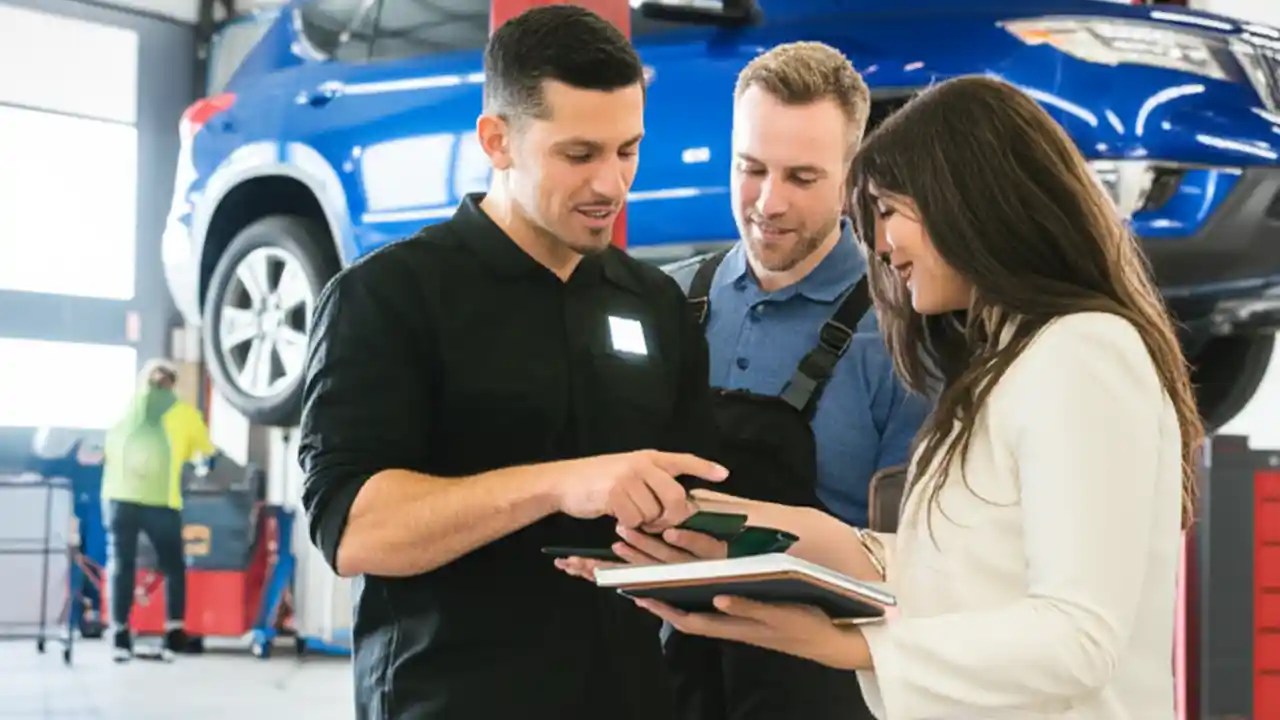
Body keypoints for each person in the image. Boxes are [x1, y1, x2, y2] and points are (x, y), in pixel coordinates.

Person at [571, 74, 1205, 718]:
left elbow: (1079, 637)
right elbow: (947, 572)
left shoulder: (1082, 353)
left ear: (966, 201)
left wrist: (850, 645)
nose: (878, 244)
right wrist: (730, 531)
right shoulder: (1005, 367)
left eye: (889, 211)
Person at [296, 6, 728, 720]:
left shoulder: (654, 304)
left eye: (628, 151)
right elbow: (355, 531)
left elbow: (692, 503)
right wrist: (559, 486)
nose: (610, 185)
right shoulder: (387, 299)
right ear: (497, 141)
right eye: (579, 154)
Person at [645, 42, 929, 720]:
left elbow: (917, 568)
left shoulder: (905, 334)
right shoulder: (664, 304)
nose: (768, 203)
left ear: (852, 177)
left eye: (802, 177)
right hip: (668, 682)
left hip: (828, 691)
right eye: (751, 169)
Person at [102, 358, 217, 663]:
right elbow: (207, 457)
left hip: (119, 498)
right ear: (173, 384)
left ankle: (120, 635)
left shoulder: (126, 409)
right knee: (173, 566)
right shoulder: (184, 414)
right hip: (161, 502)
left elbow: (105, 447)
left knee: (121, 564)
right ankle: (173, 633)